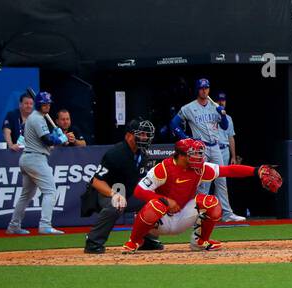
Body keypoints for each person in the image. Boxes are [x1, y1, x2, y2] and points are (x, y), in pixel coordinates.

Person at [124, 139, 280, 251]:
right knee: (156, 204)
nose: (199, 157)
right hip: (160, 220)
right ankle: (134, 241)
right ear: (181, 155)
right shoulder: (163, 168)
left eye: (199, 154)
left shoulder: (200, 168)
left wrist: (255, 170)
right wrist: (164, 200)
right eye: (193, 154)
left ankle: (200, 241)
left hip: (183, 214)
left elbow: (228, 170)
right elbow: (139, 191)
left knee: (212, 203)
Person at [170, 78, 245, 223]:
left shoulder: (214, 105)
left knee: (221, 179)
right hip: (200, 148)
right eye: (201, 88)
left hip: (215, 146)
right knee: (202, 182)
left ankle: (227, 213)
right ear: (197, 90)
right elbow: (174, 123)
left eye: (206, 88)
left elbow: (224, 126)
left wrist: (222, 114)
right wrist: (186, 138)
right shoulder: (189, 108)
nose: (204, 90)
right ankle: (199, 213)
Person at [81, 118, 160, 254]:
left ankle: (146, 239)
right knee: (116, 203)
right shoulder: (116, 153)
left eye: (146, 135)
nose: (145, 138)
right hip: (104, 193)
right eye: (141, 134)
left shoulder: (143, 154)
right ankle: (93, 242)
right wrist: (114, 194)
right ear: (129, 135)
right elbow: (96, 181)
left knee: (156, 202)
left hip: (128, 193)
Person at [4, 91, 70, 236]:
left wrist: (57, 136)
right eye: (44, 104)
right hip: (35, 159)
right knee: (50, 191)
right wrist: (60, 139)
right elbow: (47, 140)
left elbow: (45, 139)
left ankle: (13, 226)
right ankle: (45, 225)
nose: (47, 106)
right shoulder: (37, 119)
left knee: (26, 195)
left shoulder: (37, 118)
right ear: (39, 104)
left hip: (29, 158)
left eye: (48, 104)